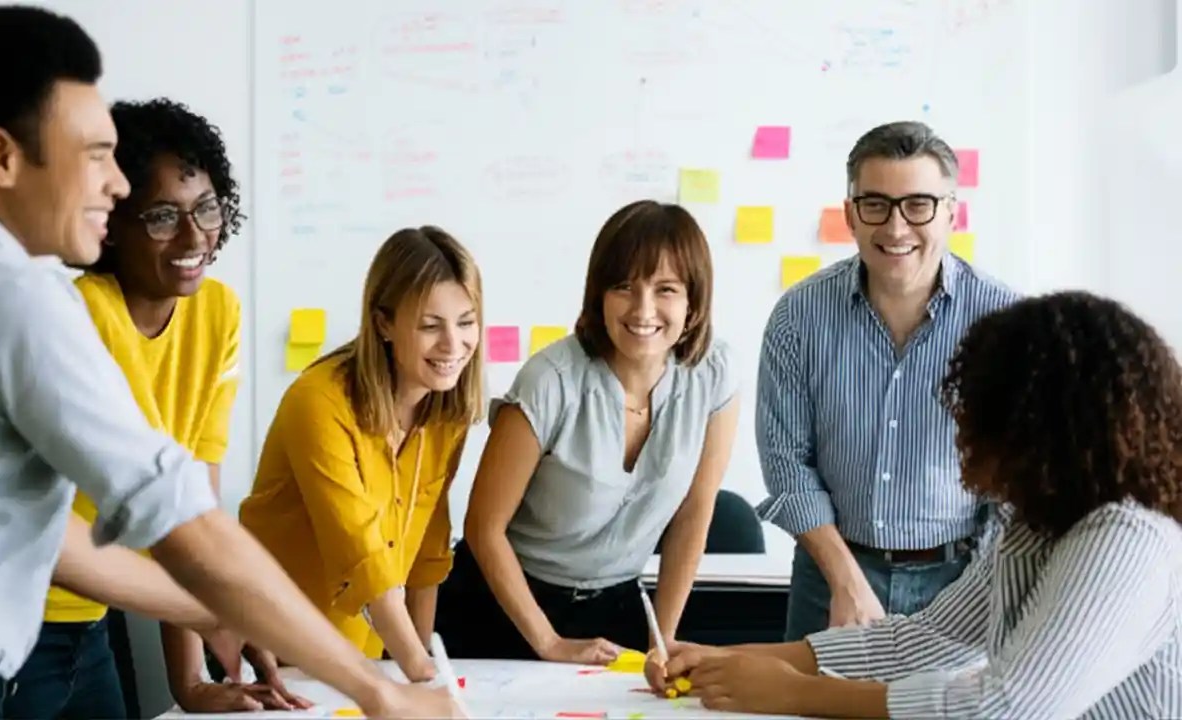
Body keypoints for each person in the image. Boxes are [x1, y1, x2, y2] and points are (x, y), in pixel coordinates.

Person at [0, 7, 459, 719]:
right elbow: (175, 520)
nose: (114, 184)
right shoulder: (17, 298)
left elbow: (50, 532)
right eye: (95, 154)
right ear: (1, 158)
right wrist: (375, 690)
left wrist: (213, 613)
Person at [651, 290, 1182, 719]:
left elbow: (1004, 707)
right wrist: (726, 661)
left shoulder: (1127, 538)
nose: (963, 440)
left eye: (980, 419)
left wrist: (794, 693)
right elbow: (925, 641)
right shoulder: (1036, 524)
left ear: (1044, 430)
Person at [5, 97, 306, 718]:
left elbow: (190, 500)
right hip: (9, 623)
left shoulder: (218, 313)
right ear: (109, 223)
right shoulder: (76, 318)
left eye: (206, 208)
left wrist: (192, 684)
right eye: (164, 216)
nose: (194, 235)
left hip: (92, 625)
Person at [436, 199, 740, 663]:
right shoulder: (551, 380)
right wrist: (548, 642)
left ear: (693, 300)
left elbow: (695, 511)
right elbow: (484, 527)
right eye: (623, 286)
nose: (643, 309)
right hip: (500, 608)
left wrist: (664, 637)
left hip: (616, 608)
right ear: (598, 295)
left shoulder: (713, 372)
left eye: (666, 289)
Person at [754, 120, 1020, 641]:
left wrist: (987, 587)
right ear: (851, 214)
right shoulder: (798, 317)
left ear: (951, 212)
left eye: (918, 205)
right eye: (875, 204)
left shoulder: (1005, 321)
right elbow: (787, 464)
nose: (896, 229)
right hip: (831, 573)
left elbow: (1020, 480)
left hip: (964, 577)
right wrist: (845, 580)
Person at [239, 226, 483, 681]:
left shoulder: (445, 410)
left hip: (365, 657)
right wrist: (420, 674)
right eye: (431, 326)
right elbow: (364, 559)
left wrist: (417, 664)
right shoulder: (319, 401)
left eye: (466, 322)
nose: (454, 345)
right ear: (383, 323)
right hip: (273, 653)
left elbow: (427, 552)